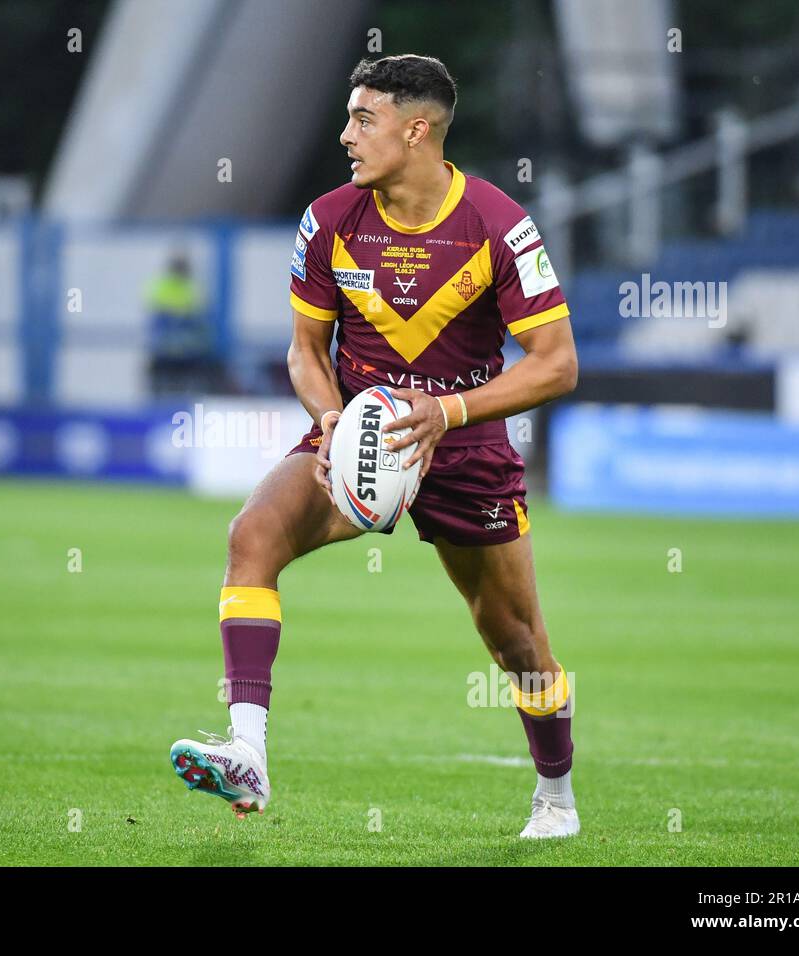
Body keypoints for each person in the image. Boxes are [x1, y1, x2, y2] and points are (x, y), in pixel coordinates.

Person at [169, 54, 581, 838]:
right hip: (354, 433)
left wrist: (449, 412)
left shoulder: (498, 225)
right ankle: (248, 751)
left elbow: (557, 364)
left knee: (517, 643)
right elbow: (303, 352)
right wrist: (329, 422)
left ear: (416, 130)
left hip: (463, 447)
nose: (345, 136)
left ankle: (556, 796)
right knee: (251, 536)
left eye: (364, 120)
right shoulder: (328, 219)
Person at [145, 254, 221, 396]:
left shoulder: (194, 288)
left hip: (189, 350)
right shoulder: (161, 287)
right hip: (166, 350)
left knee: (204, 369)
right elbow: (157, 320)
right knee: (159, 373)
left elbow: (202, 319)